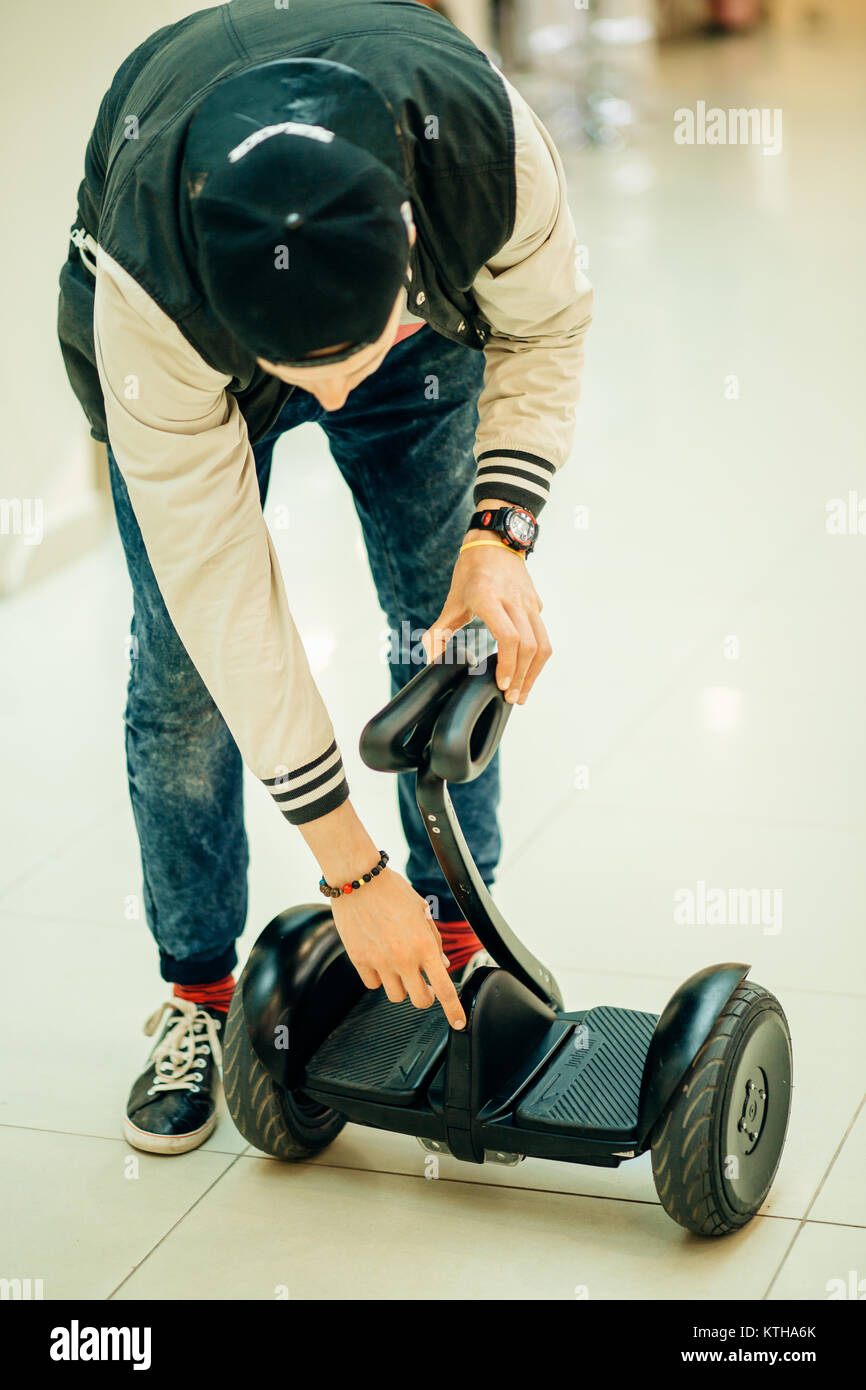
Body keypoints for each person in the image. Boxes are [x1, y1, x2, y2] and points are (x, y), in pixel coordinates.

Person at [56, 0, 593, 1155]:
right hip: (196, 363)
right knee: (182, 683)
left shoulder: (487, 156)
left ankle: (454, 933)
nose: (333, 404)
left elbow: (545, 330)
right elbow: (223, 601)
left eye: (351, 366)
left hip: (418, 341)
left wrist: (500, 530)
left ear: (411, 249)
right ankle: (196, 995)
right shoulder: (153, 298)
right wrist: (349, 871)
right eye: (307, 376)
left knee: (444, 626)